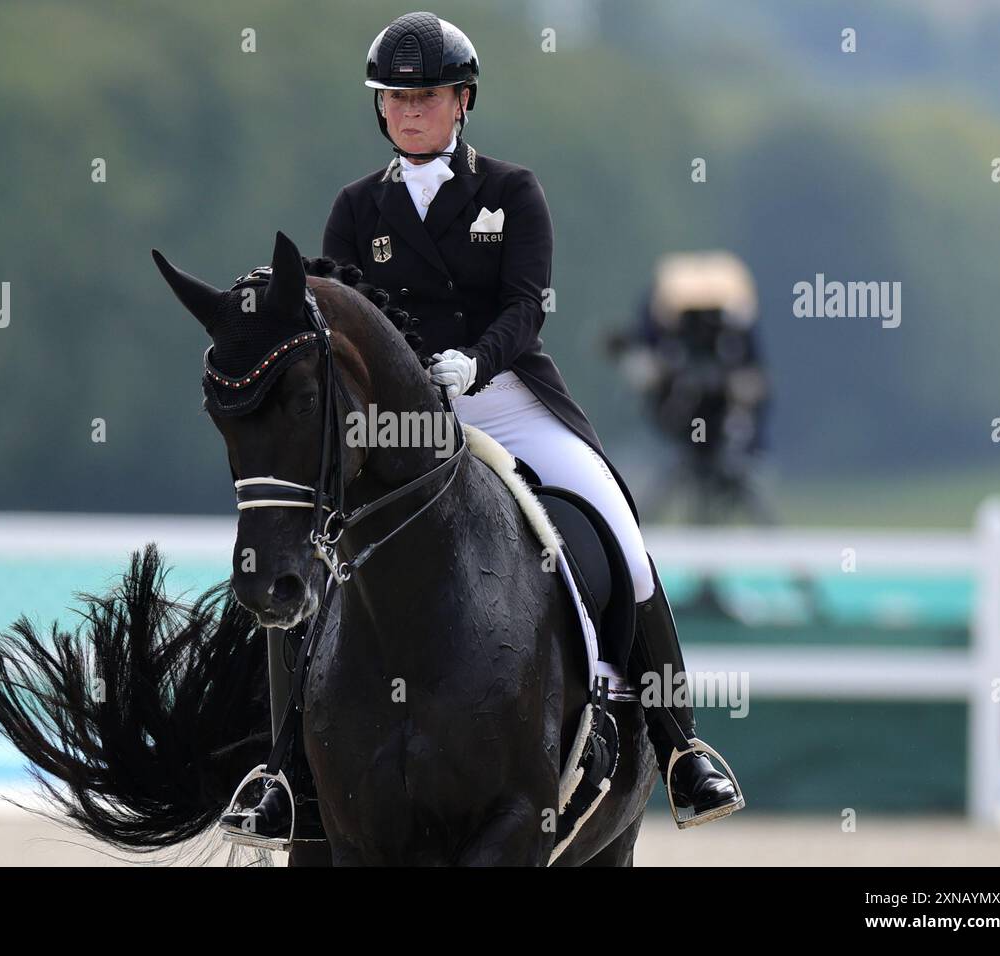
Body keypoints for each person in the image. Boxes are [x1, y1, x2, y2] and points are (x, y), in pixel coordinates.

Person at [220, 11, 743, 844]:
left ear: (462, 101)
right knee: (322, 559)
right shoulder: (358, 207)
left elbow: (525, 307)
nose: (409, 111)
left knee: (617, 526)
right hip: (396, 420)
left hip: (505, 397)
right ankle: (285, 769)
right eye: (394, 98)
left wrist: (475, 361)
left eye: (426, 96)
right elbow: (342, 327)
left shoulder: (510, 190)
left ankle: (680, 744)